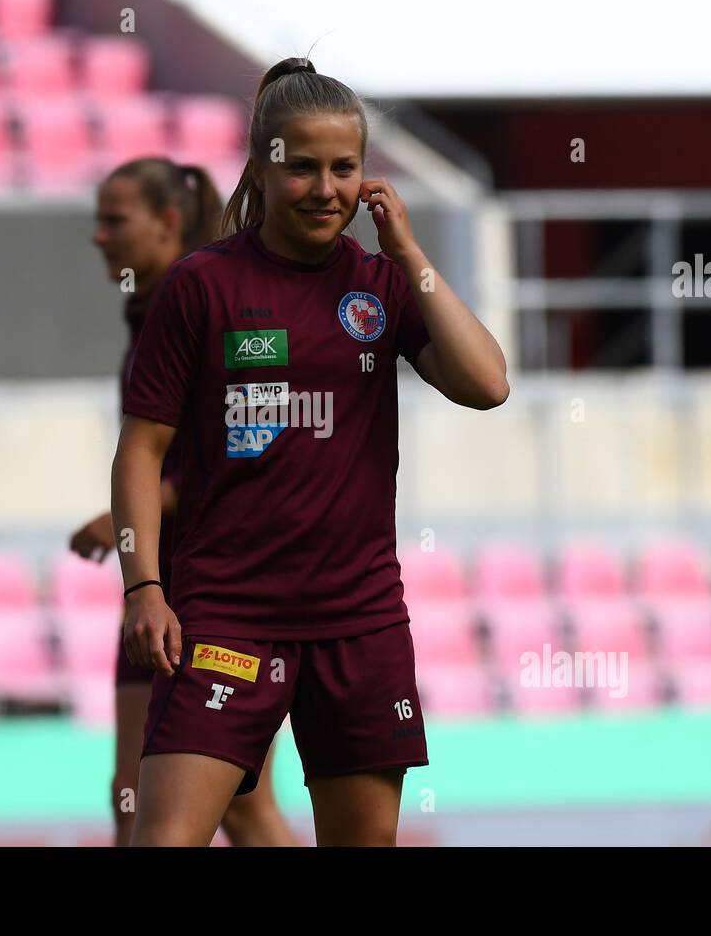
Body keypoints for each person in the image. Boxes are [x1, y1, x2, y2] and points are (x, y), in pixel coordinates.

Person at [112, 58, 510, 847]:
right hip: (225, 616)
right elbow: (139, 452)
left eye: (344, 167)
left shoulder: (380, 285)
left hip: (357, 622)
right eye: (302, 169)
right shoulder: (200, 288)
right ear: (262, 167)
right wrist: (144, 588)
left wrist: (410, 256)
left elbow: (488, 383)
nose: (326, 188)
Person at [70, 157, 296, 847]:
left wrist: (138, 511)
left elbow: (258, 441)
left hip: (221, 588)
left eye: (115, 220)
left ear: (168, 223)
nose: (98, 237)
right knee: (134, 795)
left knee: (240, 803)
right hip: (156, 592)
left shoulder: (216, 303)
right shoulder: (148, 311)